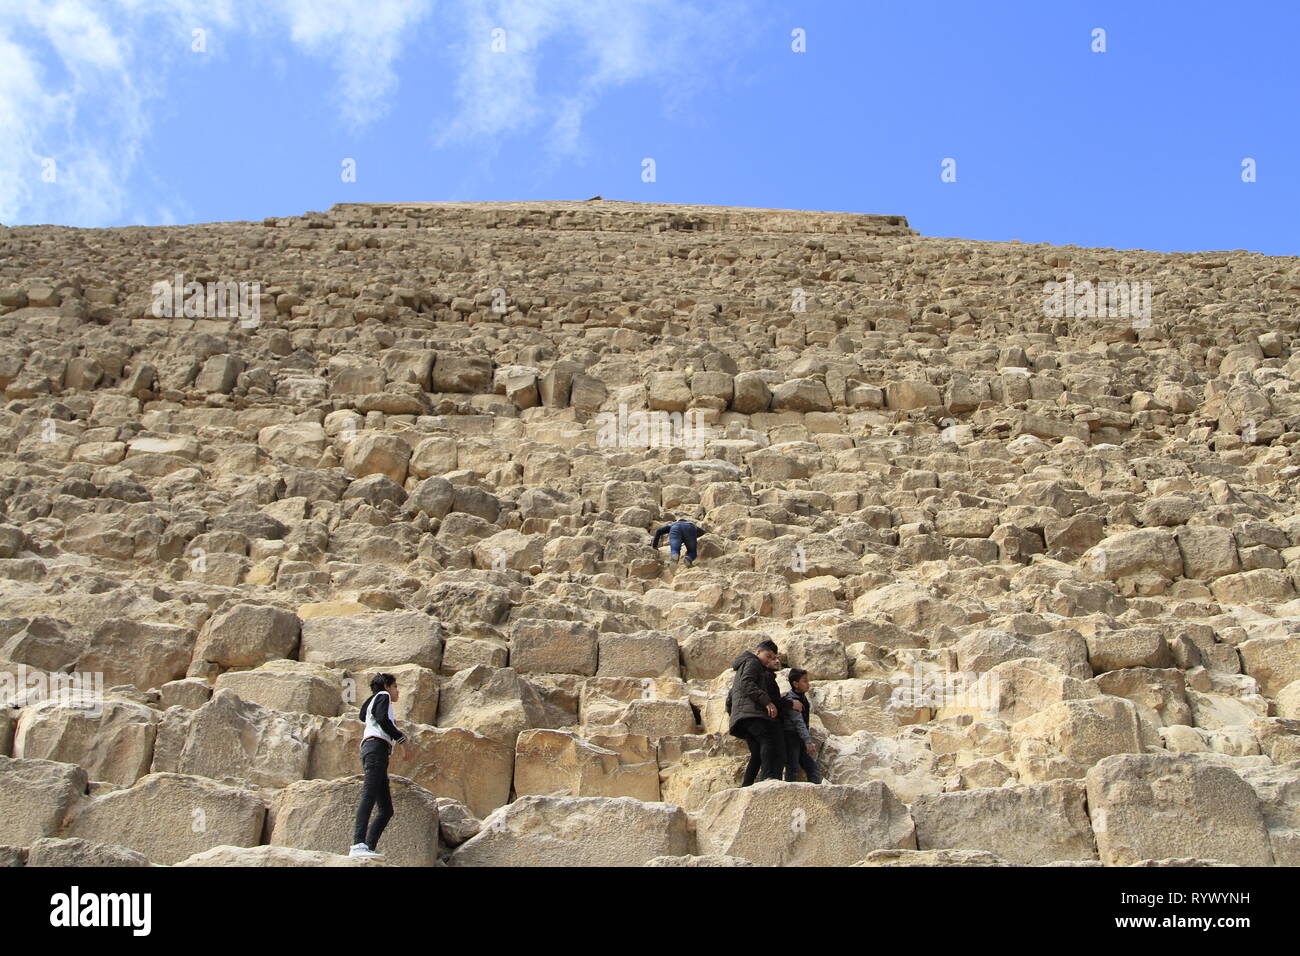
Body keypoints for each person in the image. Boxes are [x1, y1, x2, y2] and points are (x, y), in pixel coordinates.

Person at [349, 673, 411, 858]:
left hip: (376, 750)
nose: (397, 691)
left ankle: (367, 847)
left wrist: (376, 692)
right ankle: (358, 844)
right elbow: (383, 719)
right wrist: (402, 740)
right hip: (376, 748)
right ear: (386, 686)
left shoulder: (376, 698)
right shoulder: (383, 697)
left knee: (386, 809)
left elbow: (362, 715)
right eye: (395, 686)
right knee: (369, 795)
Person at [726, 639, 786, 785]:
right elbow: (746, 683)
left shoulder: (744, 665)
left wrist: (734, 714)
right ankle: (767, 777)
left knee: (757, 753)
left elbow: (730, 697)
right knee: (767, 739)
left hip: (742, 716)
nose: (770, 660)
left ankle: (747, 785)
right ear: (758, 651)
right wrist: (767, 702)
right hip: (751, 713)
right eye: (768, 656)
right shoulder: (753, 662)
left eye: (773, 658)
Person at [782, 668, 822, 784]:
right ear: (795, 684)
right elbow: (798, 722)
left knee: (812, 768)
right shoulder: (792, 700)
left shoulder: (802, 698)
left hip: (798, 738)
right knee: (792, 769)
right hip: (791, 737)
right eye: (804, 681)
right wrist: (808, 742)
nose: (808, 684)